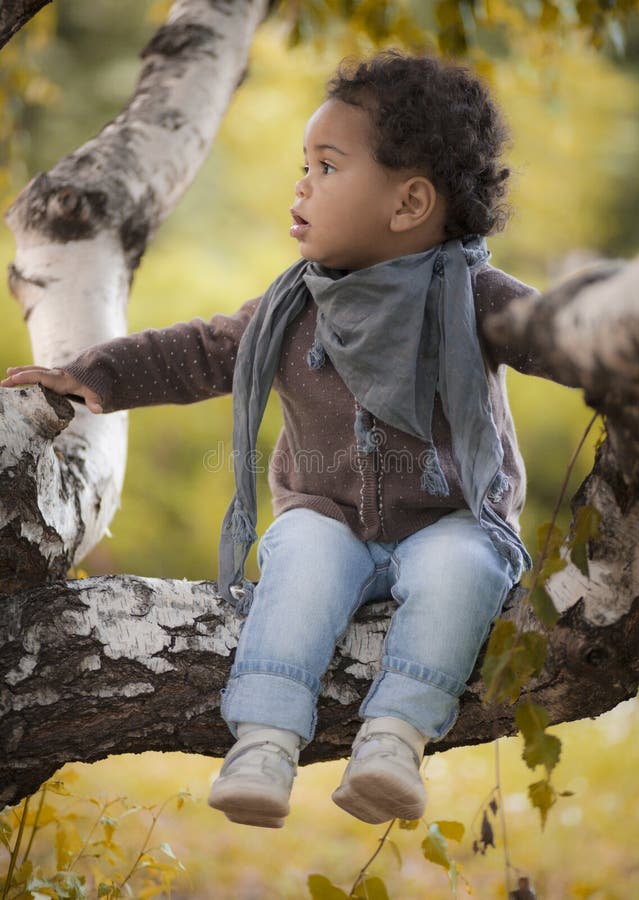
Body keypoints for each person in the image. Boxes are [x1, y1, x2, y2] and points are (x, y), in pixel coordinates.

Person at [2, 51, 542, 830]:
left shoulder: (471, 296)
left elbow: (555, 334)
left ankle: (393, 738)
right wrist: (91, 373)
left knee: (468, 567)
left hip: (449, 516)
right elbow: (199, 350)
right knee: (299, 568)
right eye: (304, 165)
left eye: (326, 166)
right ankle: (263, 742)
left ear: (409, 202)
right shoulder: (295, 306)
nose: (302, 185)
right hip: (327, 512)